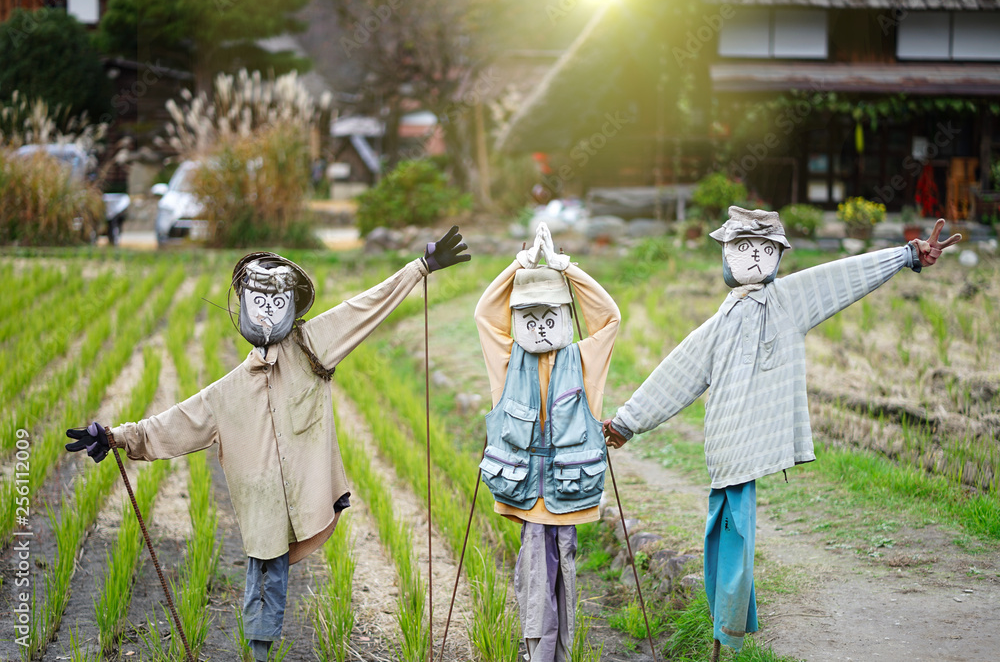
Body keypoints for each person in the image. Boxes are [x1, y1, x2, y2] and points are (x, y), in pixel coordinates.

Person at [65, 227, 470, 660]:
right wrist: (115, 435)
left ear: (291, 307)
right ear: (241, 306)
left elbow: (362, 308)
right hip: (263, 502)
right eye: (257, 304)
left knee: (271, 575)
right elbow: (176, 422)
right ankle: (259, 651)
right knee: (264, 574)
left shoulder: (312, 345)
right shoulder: (228, 391)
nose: (265, 314)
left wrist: (420, 268)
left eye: (276, 305)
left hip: (309, 486)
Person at [603, 208, 960, 661]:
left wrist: (907, 255)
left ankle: (727, 635)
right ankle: (728, 627)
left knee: (733, 538)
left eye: (766, 250)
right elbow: (676, 373)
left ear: (778, 257)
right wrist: (625, 422)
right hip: (726, 447)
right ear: (726, 254)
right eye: (744, 249)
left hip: (755, 444)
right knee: (723, 536)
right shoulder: (718, 324)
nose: (755, 258)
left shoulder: (790, 300)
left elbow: (842, 277)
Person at [475, 223, 619, 661]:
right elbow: (484, 314)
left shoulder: (585, 359)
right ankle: (540, 654)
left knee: (563, 572)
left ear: (566, 318)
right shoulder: (505, 360)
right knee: (538, 570)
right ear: (517, 321)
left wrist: (565, 269)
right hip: (525, 491)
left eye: (550, 318)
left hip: (569, 490)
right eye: (529, 319)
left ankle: (550, 654)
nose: (539, 329)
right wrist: (520, 265)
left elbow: (609, 318)